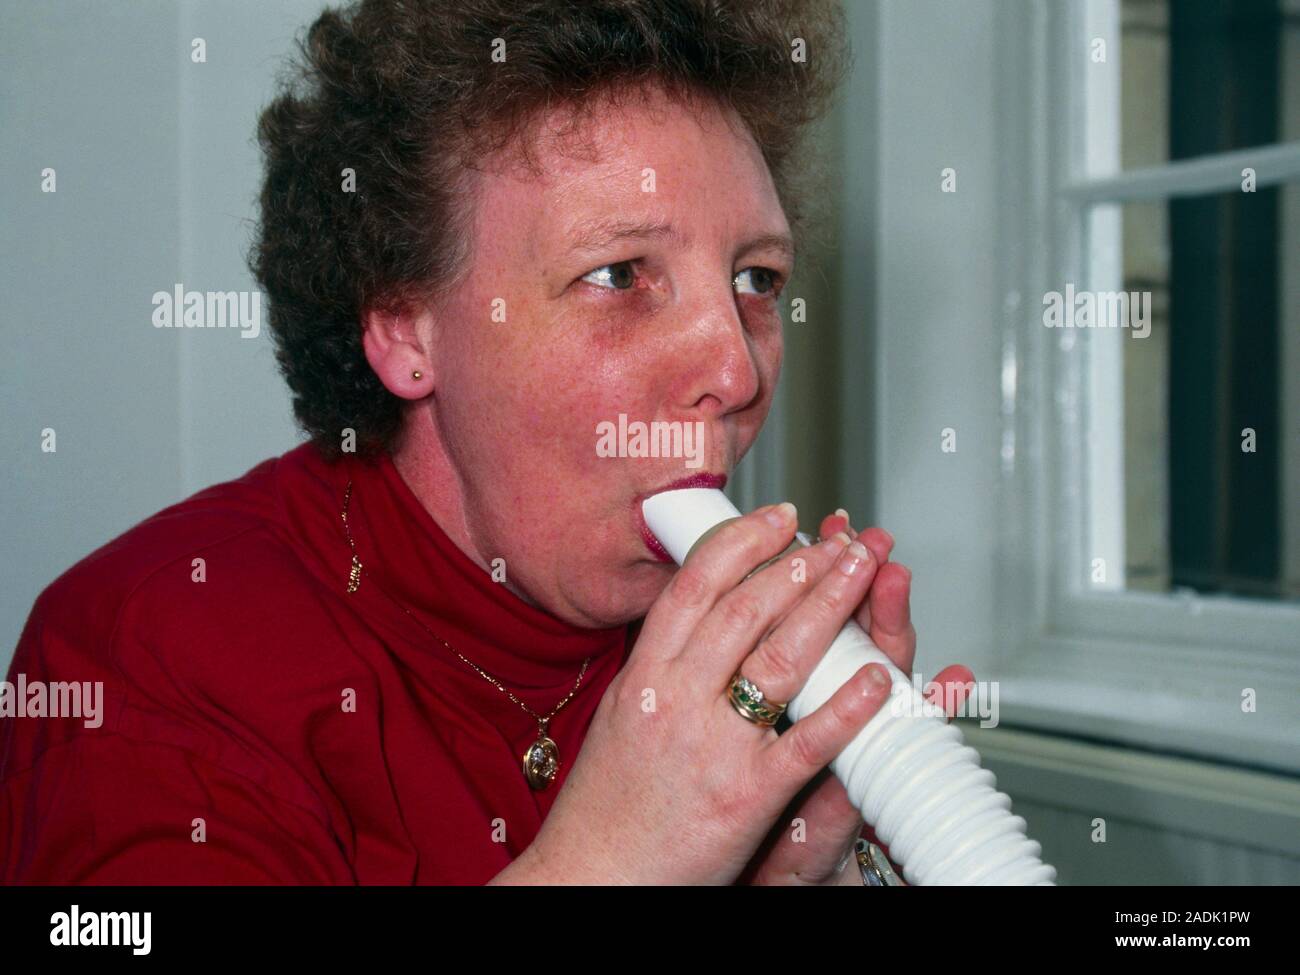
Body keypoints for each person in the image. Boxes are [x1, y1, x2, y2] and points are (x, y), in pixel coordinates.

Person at [1, 0, 973, 885]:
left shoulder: (728, 675)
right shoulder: (140, 657)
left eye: (755, 281)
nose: (736, 367)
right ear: (403, 328)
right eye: (621, 273)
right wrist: (617, 861)